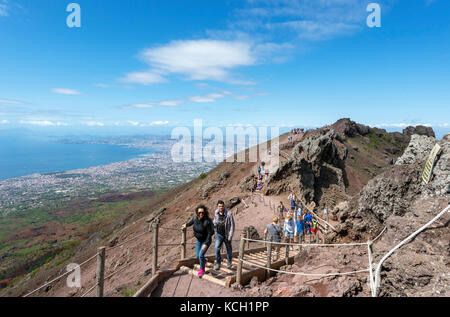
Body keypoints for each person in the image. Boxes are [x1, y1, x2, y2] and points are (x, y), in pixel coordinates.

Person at [182, 205, 214, 278]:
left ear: (205, 212)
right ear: (197, 212)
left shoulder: (207, 221)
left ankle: (202, 269)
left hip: (206, 241)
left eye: (202, 212)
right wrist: (185, 225)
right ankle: (204, 260)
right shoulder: (195, 218)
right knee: (197, 255)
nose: (201, 214)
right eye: (199, 212)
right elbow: (190, 223)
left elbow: (210, 233)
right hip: (199, 241)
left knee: (201, 255)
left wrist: (206, 244)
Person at [213, 200, 235, 270]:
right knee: (216, 248)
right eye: (219, 206)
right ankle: (218, 263)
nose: (221, 207)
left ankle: (229, 262)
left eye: (222, 206)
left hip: (227, 234)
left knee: (228, 249)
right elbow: (215, 221)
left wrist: (230, 235)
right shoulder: (216, 212)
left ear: (224, 206)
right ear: (217, 206)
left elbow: (232, 225)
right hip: (219, 234)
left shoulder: (229, 214)